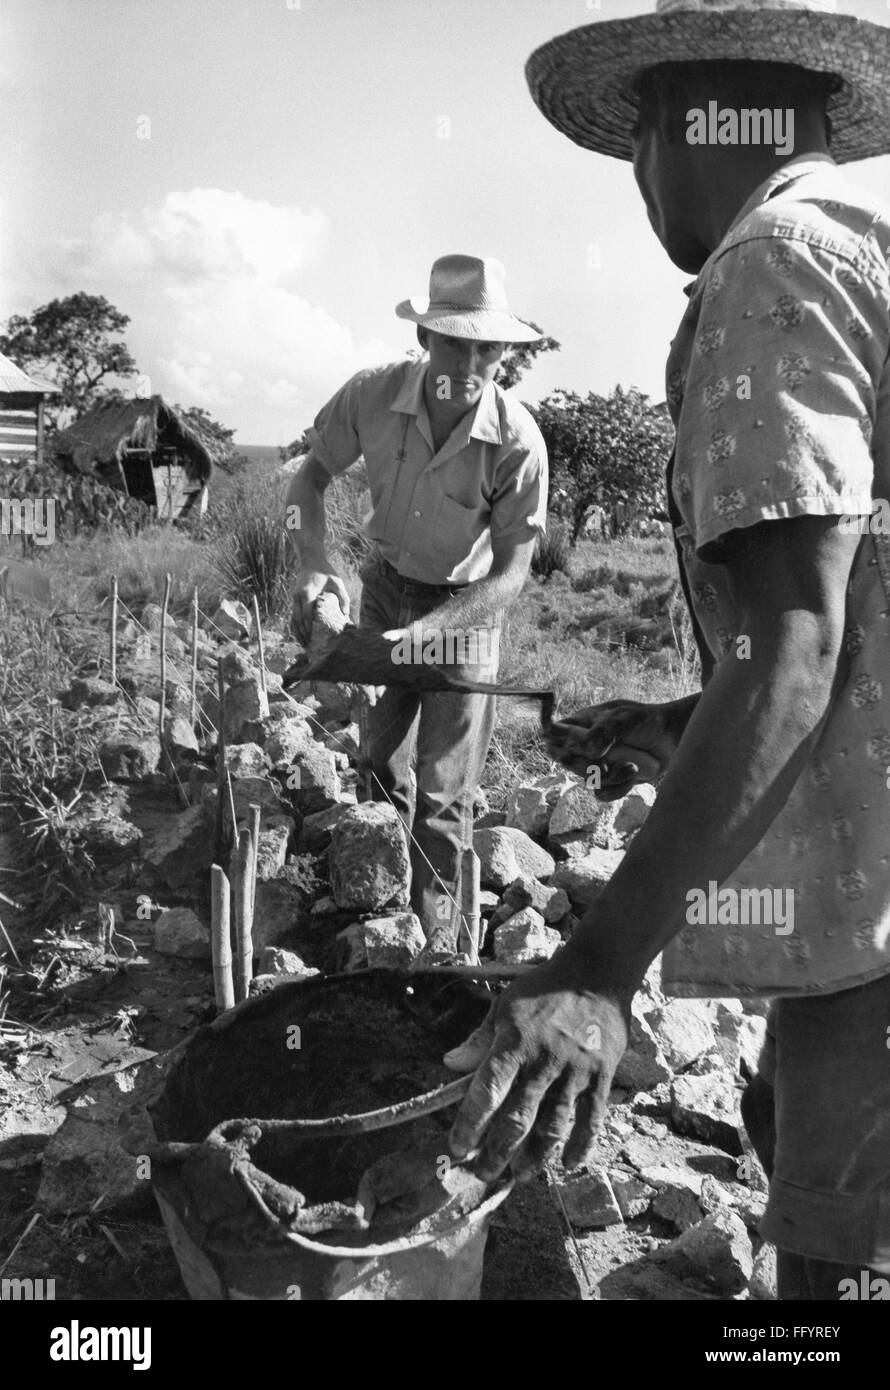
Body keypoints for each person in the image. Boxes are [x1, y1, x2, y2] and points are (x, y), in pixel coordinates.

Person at [445, 0, 890, 1300]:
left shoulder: (771, 264)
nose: (637, 183)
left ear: (684, 126)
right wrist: (683, 708)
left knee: (833, 1276)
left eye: (638, 137)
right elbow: (838, 613)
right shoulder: (859, 247)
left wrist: (593, 972)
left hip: (875, 931)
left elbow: (795, 643)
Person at [286, 254, 548, 948]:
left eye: (485, 347)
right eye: (453, 340)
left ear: (503, 355)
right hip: (385, 592)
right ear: (426, 338)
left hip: (467, 616)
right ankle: (381, 910)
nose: (467, 361)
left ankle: (442, 946)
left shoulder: (518, 442)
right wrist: (314, 564)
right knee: (376, 762)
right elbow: (306, 482)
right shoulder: (372, 396)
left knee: (443, 794)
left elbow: (513, 573)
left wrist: (431, 634)